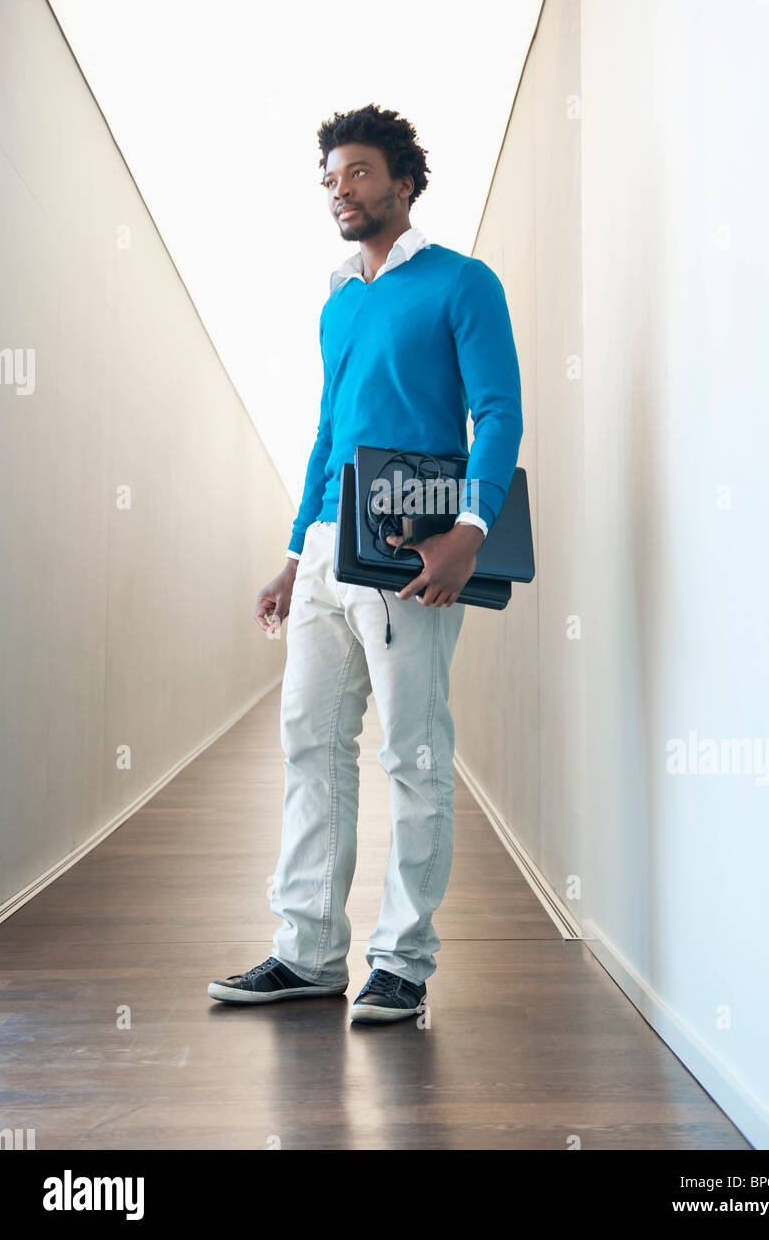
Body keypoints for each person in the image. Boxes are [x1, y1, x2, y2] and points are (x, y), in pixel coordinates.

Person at [208, 103, 523, 1023]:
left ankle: (405, 962)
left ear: (403, 182)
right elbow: (327, 431)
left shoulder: (463, 283)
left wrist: (469, 530)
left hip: (411, 554)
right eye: (330, 179)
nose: (339, 191)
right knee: (310, 745)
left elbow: (496, 413)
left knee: (414, 753)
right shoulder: (339, 299)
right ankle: (306, 952)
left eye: (357, 174)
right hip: (323, 559)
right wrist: (292, 547)